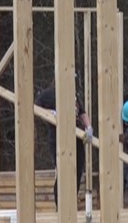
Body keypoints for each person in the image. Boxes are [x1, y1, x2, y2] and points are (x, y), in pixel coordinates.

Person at [36, 77, 93, 205]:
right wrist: (51, 113)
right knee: (63, 172)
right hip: (58, 137)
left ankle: (71, 204)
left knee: (77, 170)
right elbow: (35, 107)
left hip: (76, 137)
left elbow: (82, 113)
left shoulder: (73, 95)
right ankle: (60, 206)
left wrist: (88, 127)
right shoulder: (49, 94)